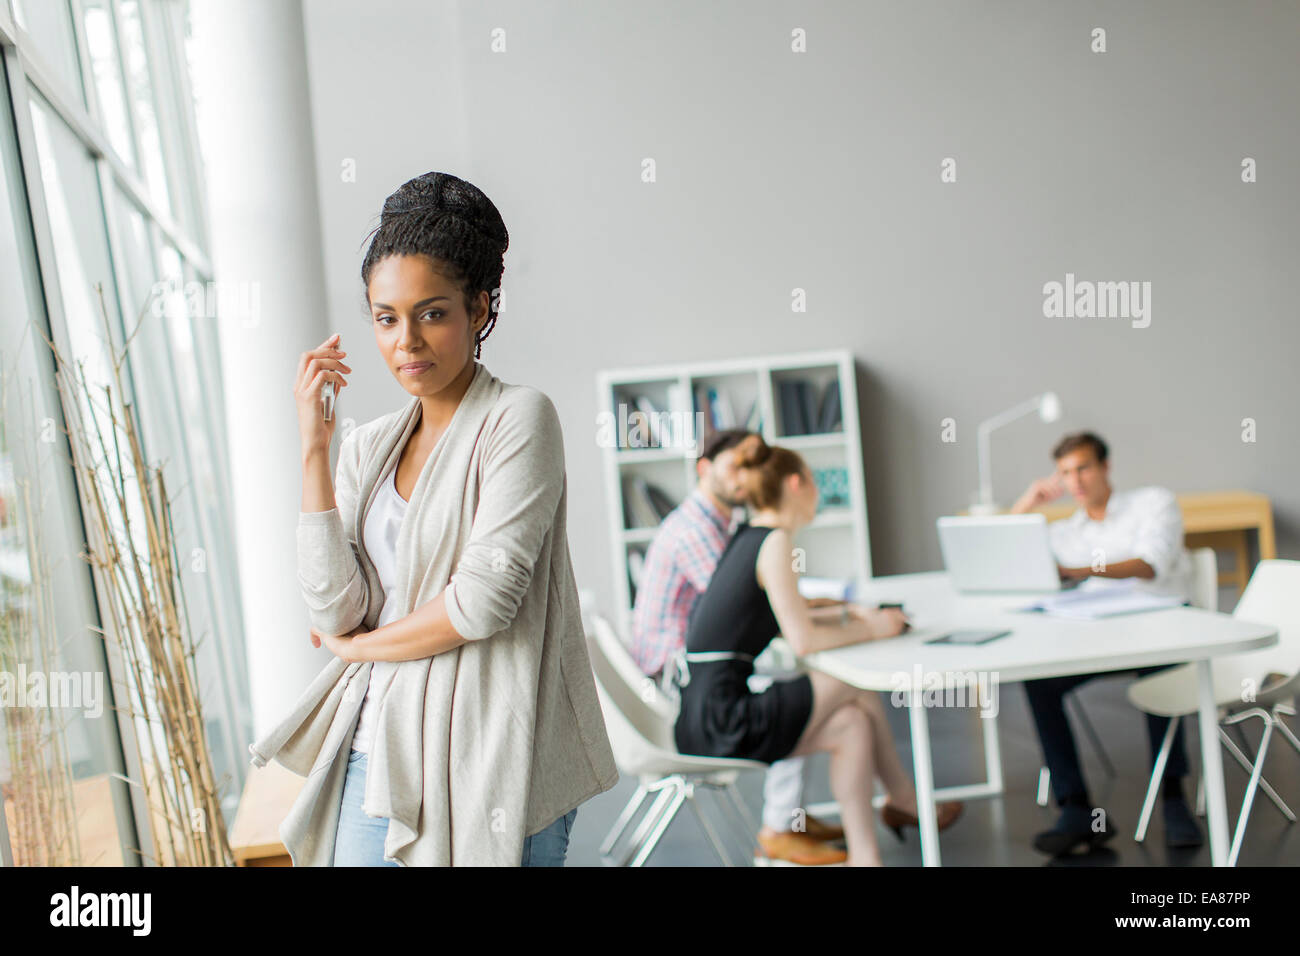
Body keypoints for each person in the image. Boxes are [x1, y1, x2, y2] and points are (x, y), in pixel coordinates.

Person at [252, 171, 618, 866]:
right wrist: (314, 449)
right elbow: (334, 607)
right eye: (386, 318)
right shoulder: (365, 446)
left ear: (480, 310)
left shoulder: (519, 420)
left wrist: (361, 648)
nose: (406, 342)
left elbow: (481, 604)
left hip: (495, 755)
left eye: (433, 313)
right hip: (376, 748)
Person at [672, 435, 963, 866]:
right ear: (795, 483)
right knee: (854, 686)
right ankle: (904, 798)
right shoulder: (774, 543)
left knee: (851, 726)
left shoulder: (750, 536)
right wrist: (875, 629)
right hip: (723, 719)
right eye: (812, 482)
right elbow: (803, 639)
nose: (817, 495)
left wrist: (855, 616)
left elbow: (793, 613)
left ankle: (867, 857)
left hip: (701, 714)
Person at [631, 428, 847, 865]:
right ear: (704, 469)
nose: (741, 480)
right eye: (734, 468)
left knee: (787, 681)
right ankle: (784, 826)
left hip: (684, 670)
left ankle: (794, 820)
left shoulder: (717, 523)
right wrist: (816, 611)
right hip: (677, 681)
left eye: (748, 469)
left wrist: (810, 606)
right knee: (786, 685)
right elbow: (746, 603)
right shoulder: (695, 531)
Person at [1010, 430, 1202, 855]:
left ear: (1105, 467)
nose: (1075, 480)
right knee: (1039, 682)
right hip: (1101, 637)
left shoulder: (1153, 503)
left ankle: (1173, 798)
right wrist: (1027, 506)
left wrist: (1080, 571)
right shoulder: (1065, 531)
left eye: (1083, 468)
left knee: (1162, 671)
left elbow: (1149, 566)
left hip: (1163, 630)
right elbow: (1005, 557)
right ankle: (1076, 809)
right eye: (1065, 473)